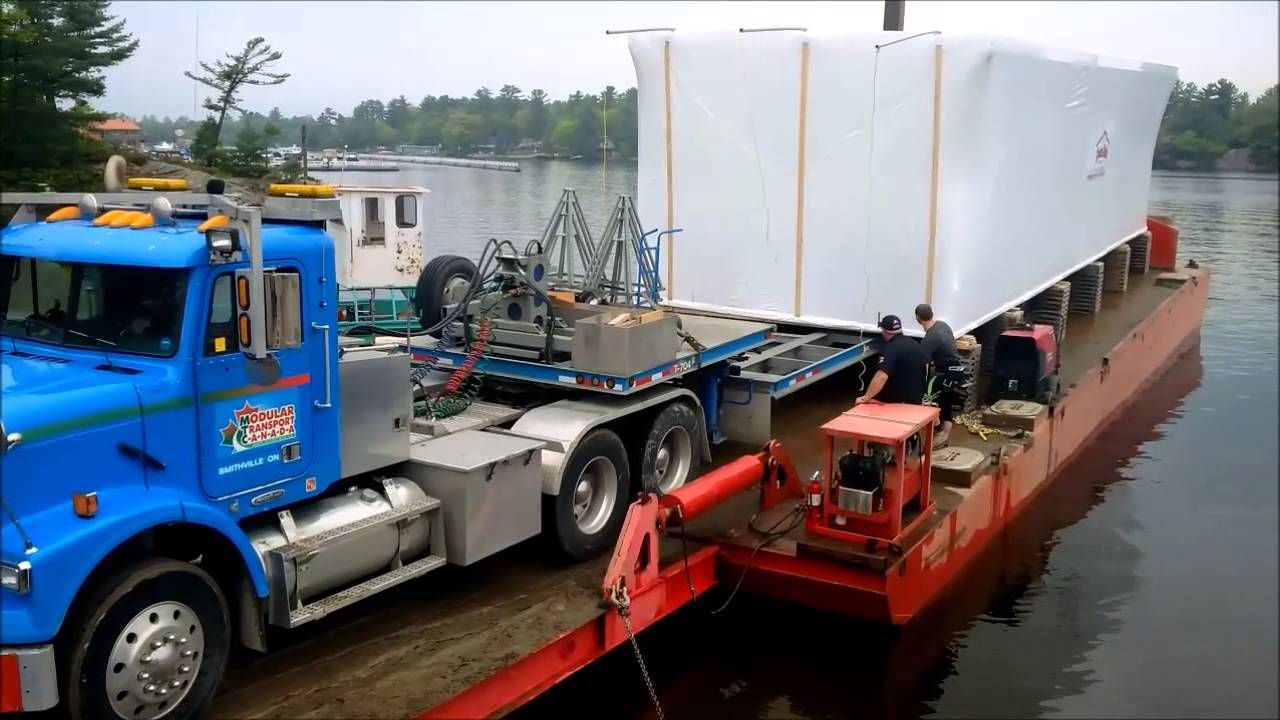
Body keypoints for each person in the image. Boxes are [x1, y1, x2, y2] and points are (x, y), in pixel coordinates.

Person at [915, 303, 963, 446]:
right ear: (932, 313)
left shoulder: (929, 339)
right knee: (946, 403)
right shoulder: (943, 325)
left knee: (927, 398)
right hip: (957, 371)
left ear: (917, 318)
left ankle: (937, 431)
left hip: (946, 372)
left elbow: (922, 363)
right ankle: (945, 435)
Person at [855, 315, 926, 407]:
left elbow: (881, 376)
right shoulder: (917, 345)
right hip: (915, 402)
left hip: (895, 404)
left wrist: (866, 398)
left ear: (884, 331)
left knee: (861, 403)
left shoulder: (889, 349)